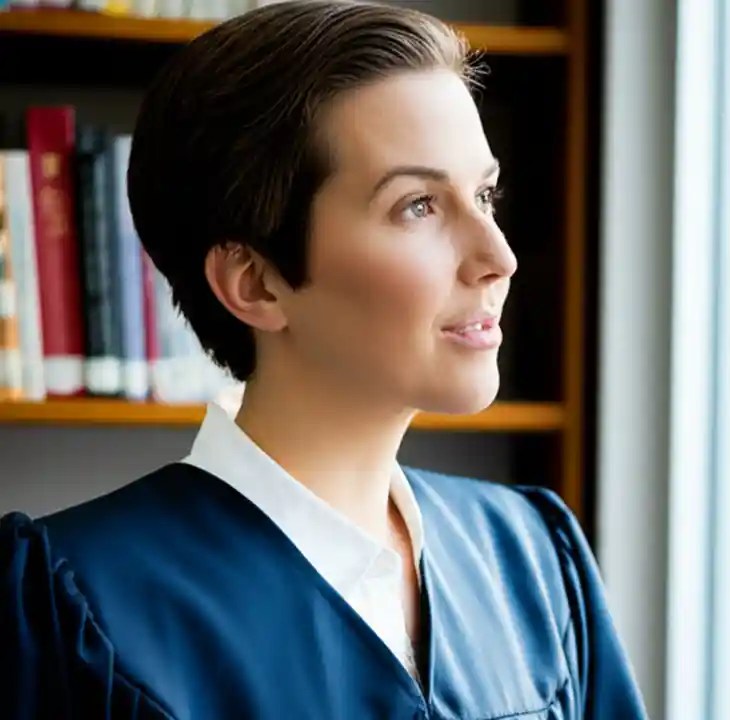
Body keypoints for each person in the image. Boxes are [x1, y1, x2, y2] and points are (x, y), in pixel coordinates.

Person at [0, 1, 647, 717]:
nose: (500, 257)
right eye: (419, 206)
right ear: (256, 282)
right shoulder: (76, 609)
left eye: (486, 195)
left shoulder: (531, 560)